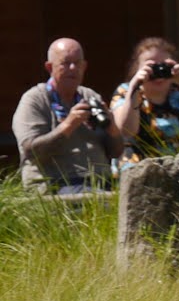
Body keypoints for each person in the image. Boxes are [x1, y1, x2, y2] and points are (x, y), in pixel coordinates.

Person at [12, 38, 119, 194]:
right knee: (106, 203)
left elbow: (115, 152)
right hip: (55, 185)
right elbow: (32, 152)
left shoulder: (89, 96)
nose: (73, 68)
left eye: (77, 63)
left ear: (84, 66)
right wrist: (68, 125)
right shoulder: (35, 99)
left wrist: (113, 129)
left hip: (100, 183)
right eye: (65, 63)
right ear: (49, 67)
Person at [110, 37, 179, 161]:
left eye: (164, 65)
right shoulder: (126, 91)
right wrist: (135, 87)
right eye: (151, 65)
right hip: (138, 170)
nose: (158, 70)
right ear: (137, 68)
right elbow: (126, 130)